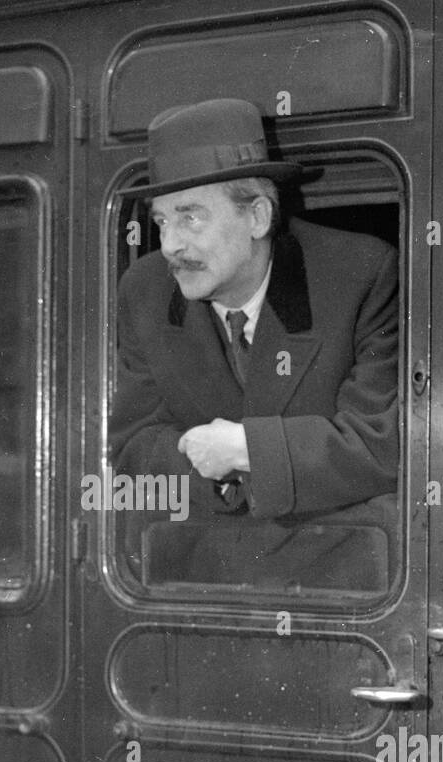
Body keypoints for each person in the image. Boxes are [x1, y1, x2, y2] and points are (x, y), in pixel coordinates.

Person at [110, 98, 400, 590]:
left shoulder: (358, 275)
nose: (170, 245)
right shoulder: (145, 291)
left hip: (340, 590)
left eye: (190, 217)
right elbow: (132, 445)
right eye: (161, 222)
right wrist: (209, 466)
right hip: (203, 587)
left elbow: (381, 442)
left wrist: (245, 449)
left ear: (258, 216)